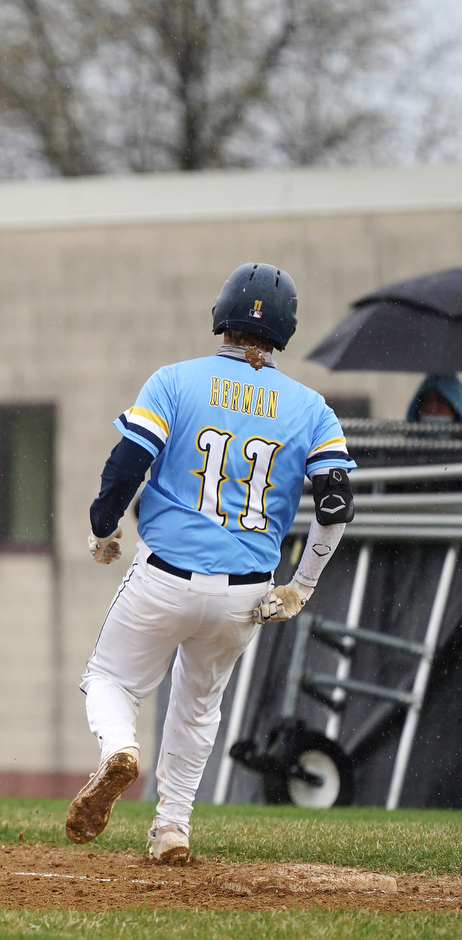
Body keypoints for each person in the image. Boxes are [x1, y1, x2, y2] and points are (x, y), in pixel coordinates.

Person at [69, 263, 356, 864]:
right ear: (286, 329)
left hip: (166, 576)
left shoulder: (176, 381)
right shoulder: (312, 407)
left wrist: (103, 526)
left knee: (110, 679)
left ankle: (119, 750)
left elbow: (127, 463)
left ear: (221, 315)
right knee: (198, 708)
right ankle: (172, 828)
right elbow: (335, 504)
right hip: (245, 594)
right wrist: (301, 586)